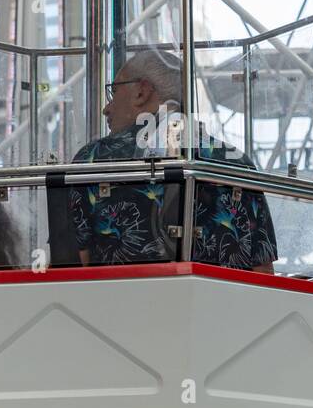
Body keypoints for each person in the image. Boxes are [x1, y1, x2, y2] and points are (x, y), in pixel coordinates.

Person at [69, 49, 277, 273]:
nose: (106, 108)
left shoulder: (91, 161)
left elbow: (73, 262)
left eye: (114, 92)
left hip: (118, 304)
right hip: (221, 304)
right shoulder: (237, 164)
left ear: (142, 91)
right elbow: (262, 268)